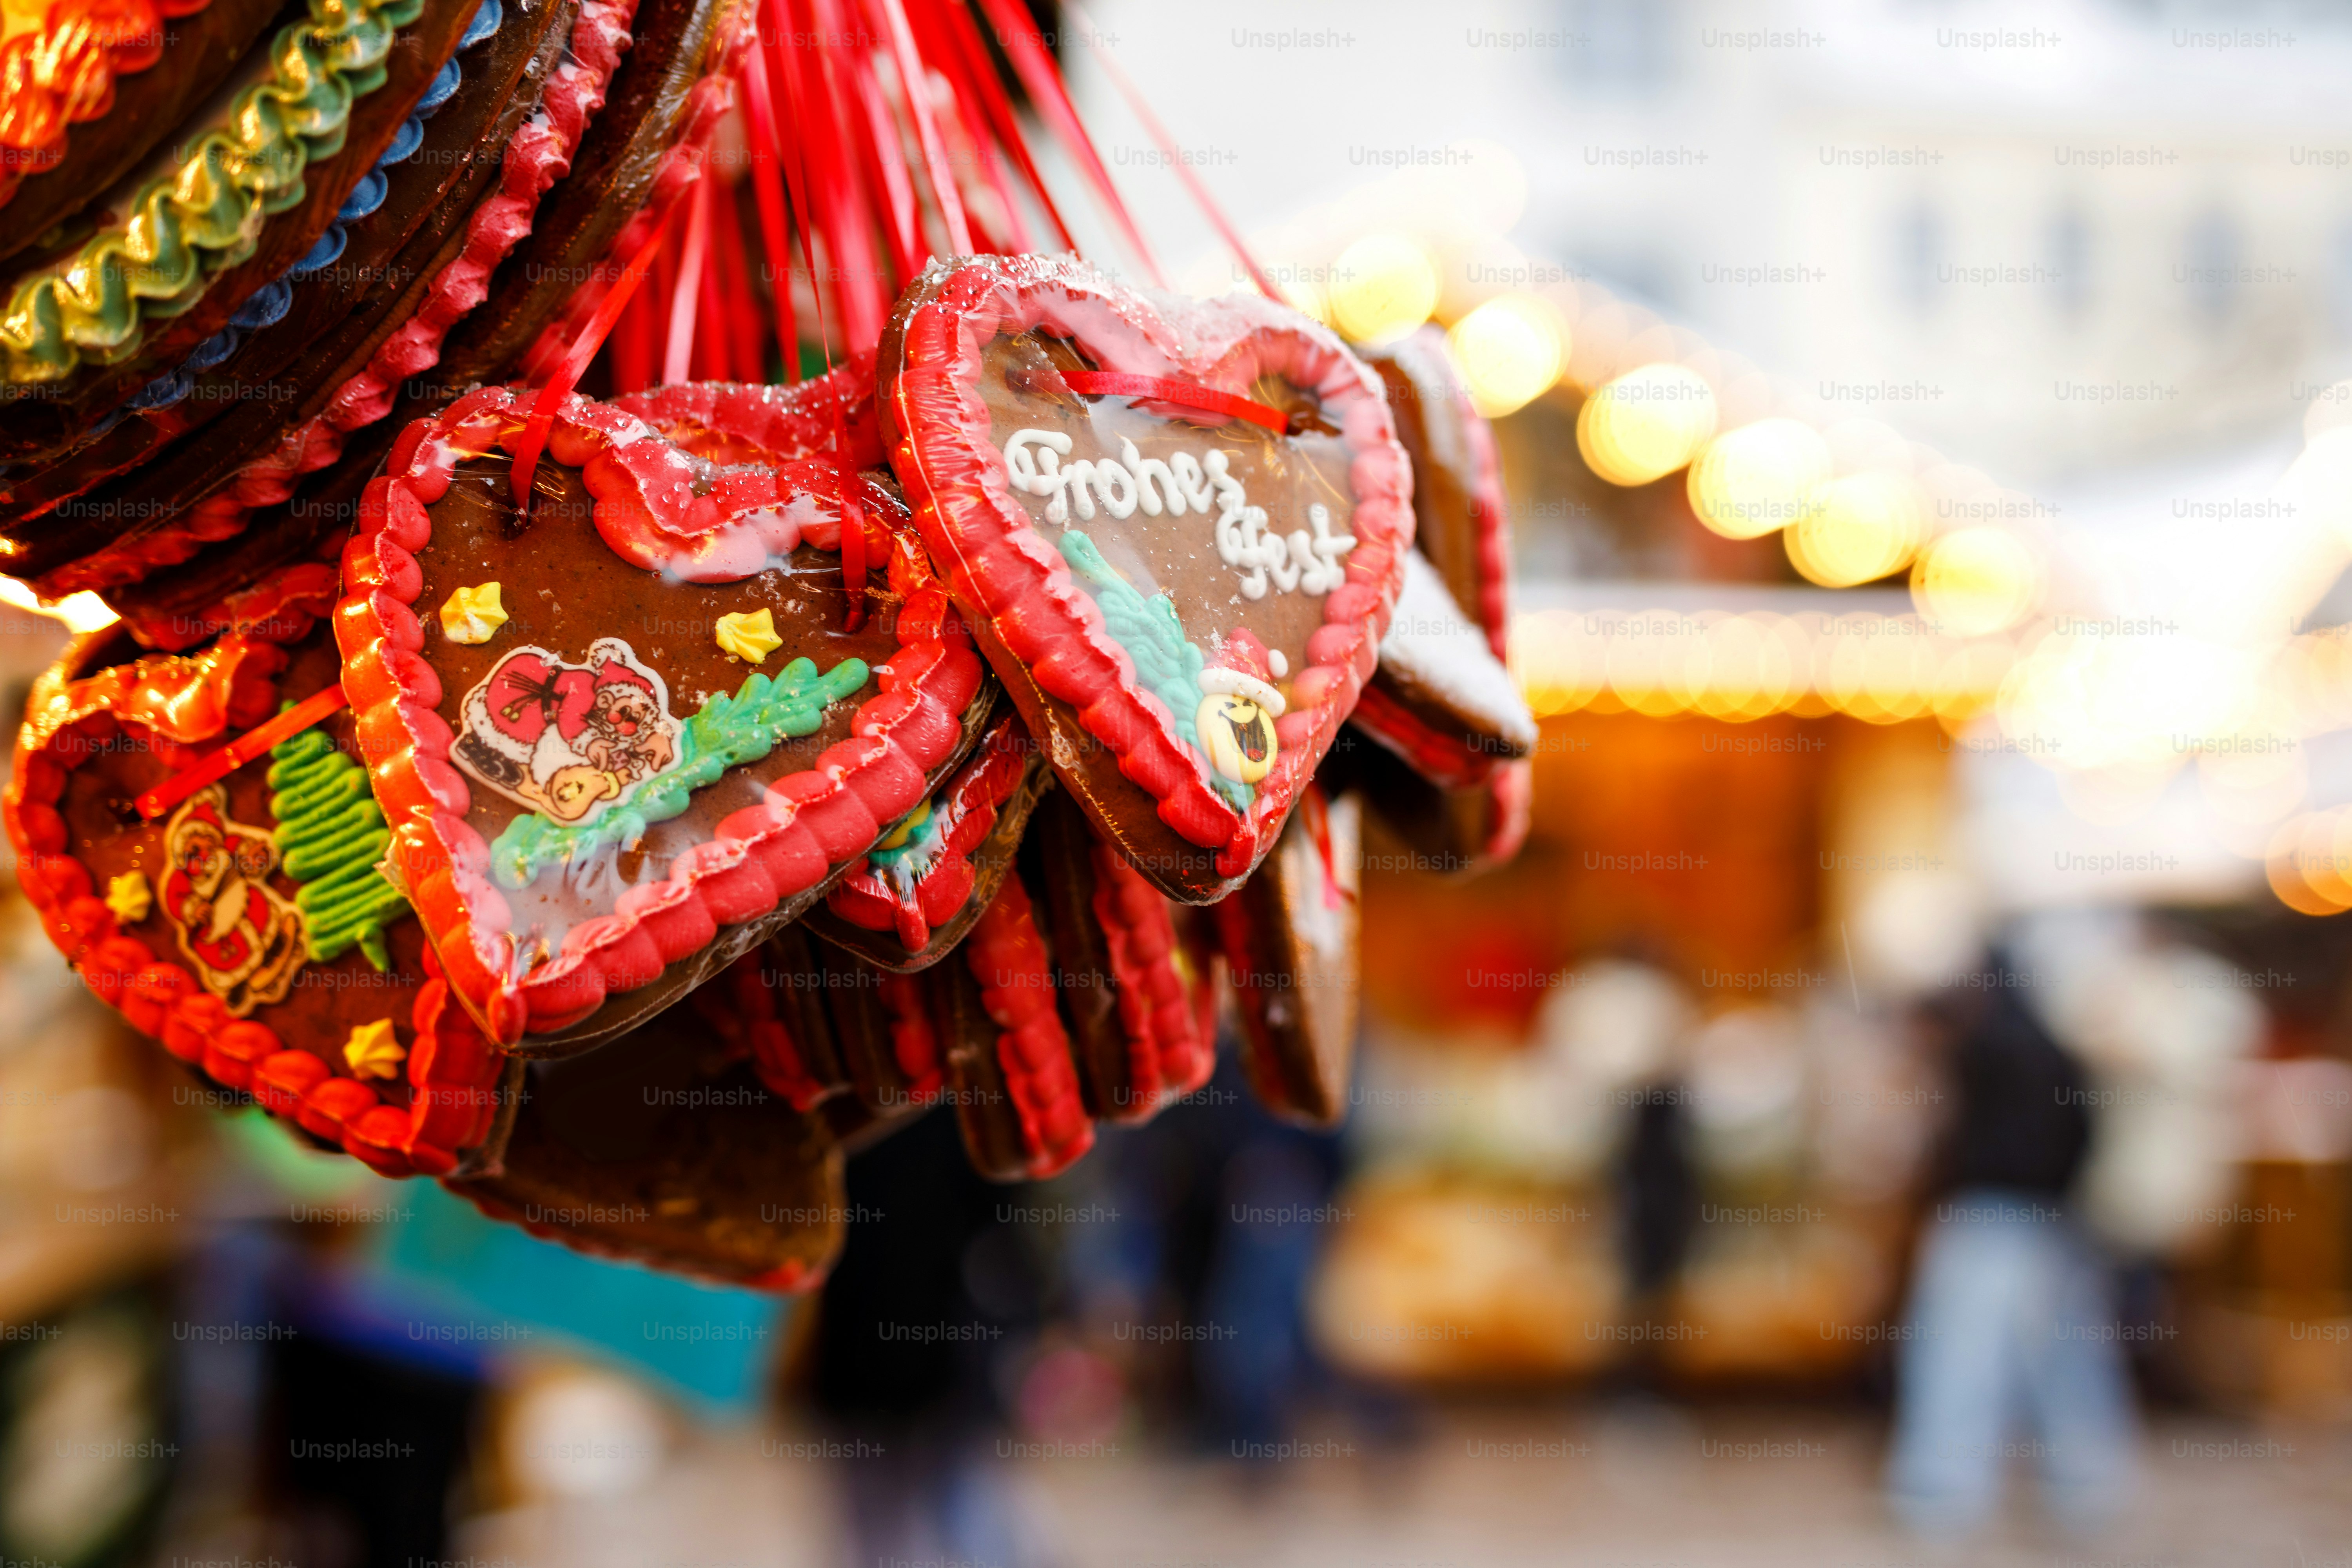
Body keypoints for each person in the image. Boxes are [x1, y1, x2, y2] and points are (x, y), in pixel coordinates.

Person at [1884, 949, 2140, 1537]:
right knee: (2068, 1362)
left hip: (1991, 1219)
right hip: (2051, 1220)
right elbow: (2085, 1133)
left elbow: (1955, 1141)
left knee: (1962, 1356)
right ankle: (2088, 1488)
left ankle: (1943, 1492)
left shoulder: (1986, 1052)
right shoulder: (2050, 1051)